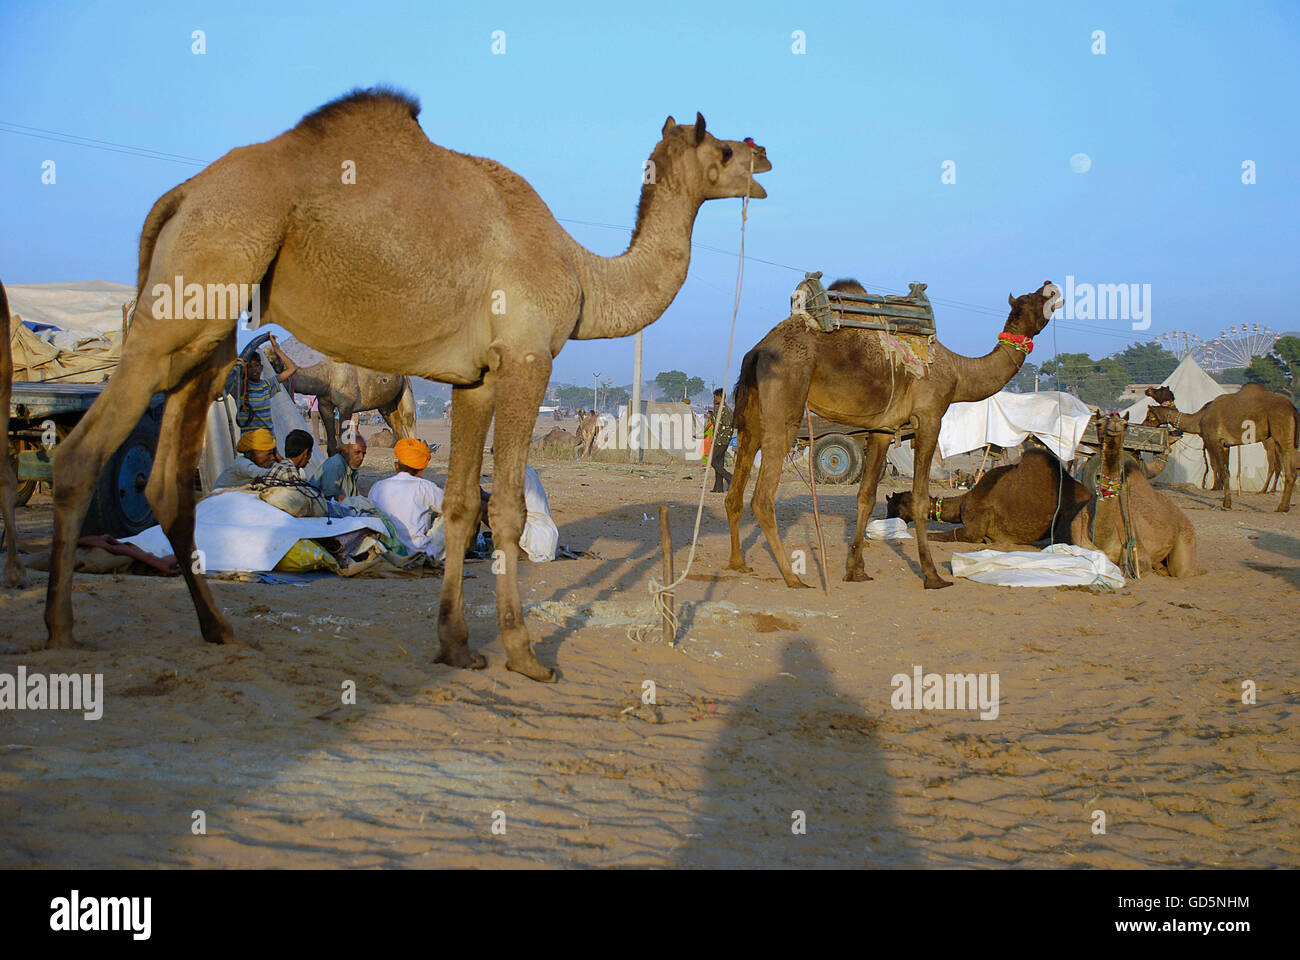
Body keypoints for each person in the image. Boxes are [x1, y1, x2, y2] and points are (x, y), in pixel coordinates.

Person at [367, 438, 446, 560]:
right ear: (421, 470)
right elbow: (451, 508)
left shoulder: (378, 487)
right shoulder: (425, 487)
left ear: (396, 466)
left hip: (386, 553)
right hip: (419, 553)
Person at [482, 465, 559, 562]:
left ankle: (518, 548)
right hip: (542, 536)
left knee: (478, 506)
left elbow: (502, 507)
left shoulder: (516, 474)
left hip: (536, 538)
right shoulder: (522, 468)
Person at [237, 335, 297, 434]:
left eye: (256, 366)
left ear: (261, 367)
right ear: (245, 369)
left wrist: (277, 350)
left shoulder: (267, 385)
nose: (254, 370)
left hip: (268, 440)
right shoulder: (242, 388)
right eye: (250, 367)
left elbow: (292, 369)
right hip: (250, 443)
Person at [212, 428, 278, 490]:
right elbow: (271, 474)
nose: (272, 457)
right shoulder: (242, 465)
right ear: (253, 455)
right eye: (269, 454)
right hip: (221, 497)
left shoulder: (257, 463)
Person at [313, 435, 366, 501]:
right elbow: (330, 499)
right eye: (357, 453)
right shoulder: (335, 465)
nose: (361, 457)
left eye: (363, 454)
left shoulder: (351, 468)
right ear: (343, 451)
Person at [705, 388, 734, 492]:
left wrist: (711, 416)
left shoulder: (724, 410)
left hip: (722, 440)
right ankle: (718, 487)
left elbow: (722, 424)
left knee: (712, 461)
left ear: (720, 397)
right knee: (719, 462)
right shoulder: (720, 409)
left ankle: (730, 477)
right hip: (719, 439)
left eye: (715, 397)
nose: (714, 398)